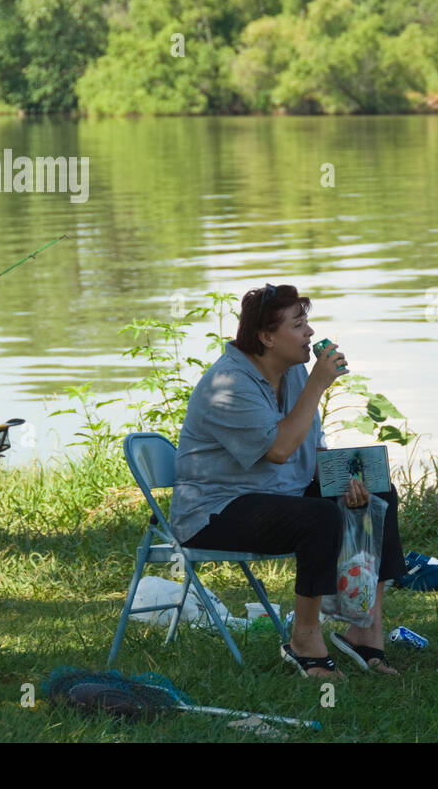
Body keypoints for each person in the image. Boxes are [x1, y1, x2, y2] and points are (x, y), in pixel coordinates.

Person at [170, 284, 408, 680]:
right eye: (298, 325)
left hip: (282, 496)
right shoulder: (229, 385)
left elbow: (308, 446)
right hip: (215, 510)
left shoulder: (294, 373)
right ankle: (304, 642)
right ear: (266, 337)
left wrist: (346, 486)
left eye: (307, 322)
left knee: (378, 491)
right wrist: (318, 384)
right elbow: (279, 449)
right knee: (317, 517)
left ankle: (364, 632)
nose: (310, 334)